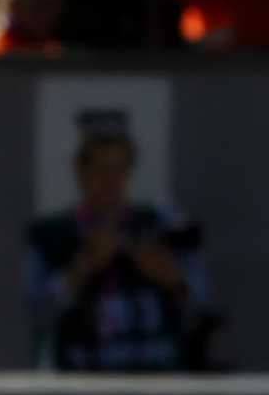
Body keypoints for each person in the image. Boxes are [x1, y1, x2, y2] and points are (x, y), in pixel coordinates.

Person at [25, 109, 210, 371]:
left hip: (156, 375)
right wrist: (83, 266)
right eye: (99, 169)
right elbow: (36, 312)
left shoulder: (163, 223)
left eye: (118, 170)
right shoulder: (51, 233)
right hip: (82, 375)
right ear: (80, 169)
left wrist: (168, 274)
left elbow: (201, 301)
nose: (109, 181)